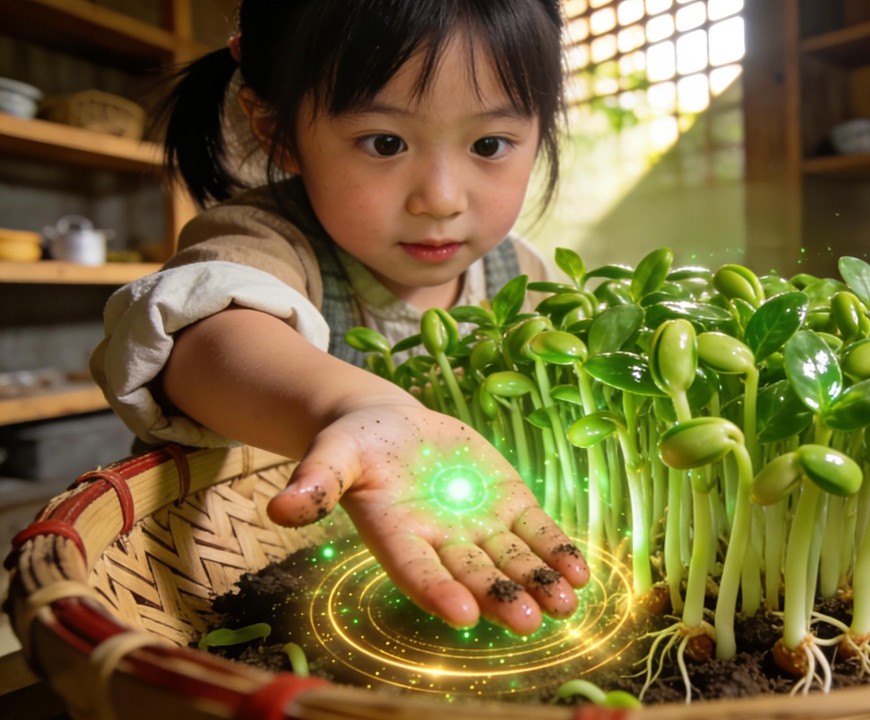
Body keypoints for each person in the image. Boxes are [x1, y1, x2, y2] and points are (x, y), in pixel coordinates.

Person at [89, 0, 589, 635]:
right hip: (277, 581)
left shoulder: (526, 277)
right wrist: (354, 408)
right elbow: (202, 333)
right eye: (385, 143)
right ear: (275, 129)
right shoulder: (266, 240)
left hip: (464, 579)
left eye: (489, 144)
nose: (440, 198)